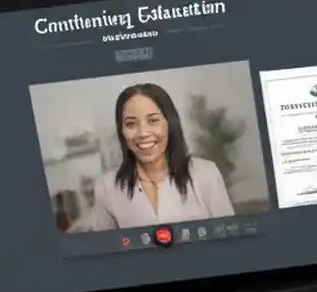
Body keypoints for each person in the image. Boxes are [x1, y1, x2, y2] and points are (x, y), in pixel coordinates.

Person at [71, 83, 235, 231]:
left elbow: (231, 242)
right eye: (130, 124)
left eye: (153, 120)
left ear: (169, 124)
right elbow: (107, 255)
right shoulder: (106, 188)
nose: (142, 133)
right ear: (121, 131)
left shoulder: (205, 174)